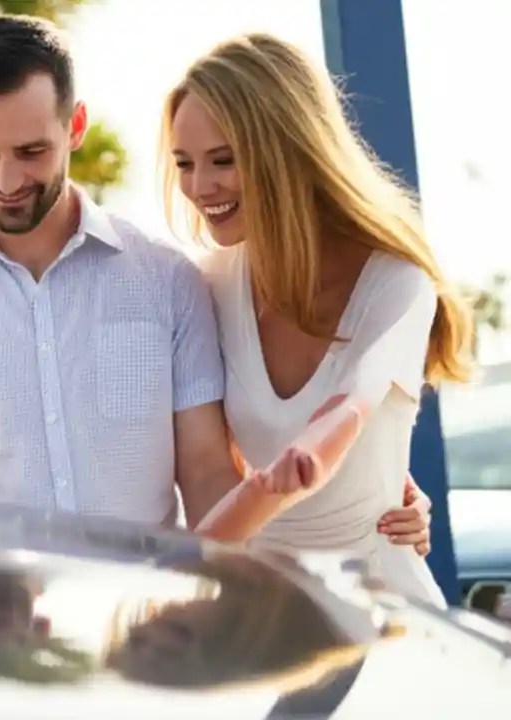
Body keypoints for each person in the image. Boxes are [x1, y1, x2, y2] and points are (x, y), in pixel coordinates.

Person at [0, 16, 431, 555]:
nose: (7, 180)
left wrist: (365, 486)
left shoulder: (170, 282)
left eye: (32, 152)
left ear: (75, 127)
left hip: (142, 635)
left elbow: (210, 470)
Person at [161, 32, 473, 605]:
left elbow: (349, 407)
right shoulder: (206, 284)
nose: (200, 188)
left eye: (223, 160)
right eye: (185, 164)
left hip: (386, 615)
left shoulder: (397, 282)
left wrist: (315, 465)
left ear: (286, 148)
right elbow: (213, 467)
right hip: (267, 615)